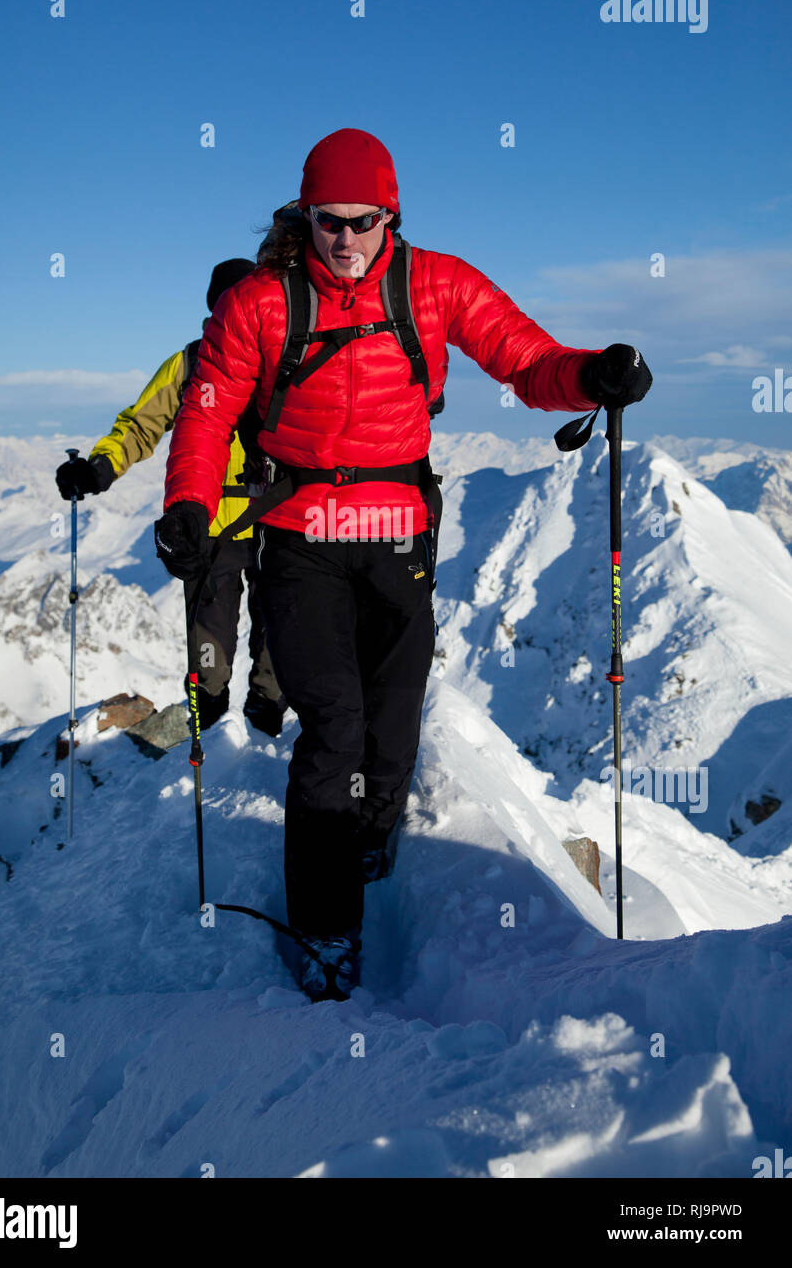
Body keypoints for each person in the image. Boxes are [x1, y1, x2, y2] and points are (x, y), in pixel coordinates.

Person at [155, 128, 652, 1001]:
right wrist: (189, 505)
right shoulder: (262, 303)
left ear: (392, 214)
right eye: (326, 220)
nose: (343, 239)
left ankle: (375, 832)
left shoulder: (435, 284)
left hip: (397, 536)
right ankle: (324, 929)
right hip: (301, 541)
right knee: (335, 724)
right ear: (303, 215)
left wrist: (594, 376)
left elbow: (526, 359)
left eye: (362, 220)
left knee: (393, 718)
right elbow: (206, 410)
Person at [55, 259, 287, 737]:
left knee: (280, 649)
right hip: (210, 527)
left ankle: (264, 731)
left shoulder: (280, 356)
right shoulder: (190, 363)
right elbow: (141, 424)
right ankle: (217, 728)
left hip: (272, 524)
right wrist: (97, 468)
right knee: (212, 661)